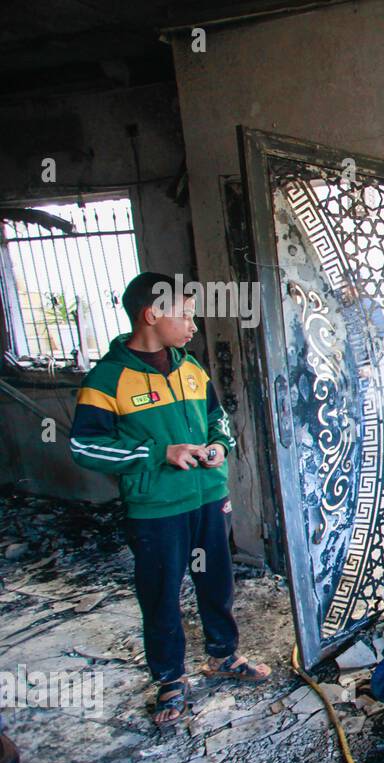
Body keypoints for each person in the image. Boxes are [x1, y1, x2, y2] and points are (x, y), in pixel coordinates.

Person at [69, 272, 270, 729]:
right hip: (157, 508)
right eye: (185, 314)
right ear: (152, 314)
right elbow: (84, 447)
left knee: (216, 582)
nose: (193, 325)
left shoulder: (191, 367)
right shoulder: (107, 379)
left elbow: (218, 421)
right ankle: (170, 678)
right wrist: (158, 454)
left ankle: (223, 656)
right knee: (161, 594)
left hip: (208, 497)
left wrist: (220, 448)